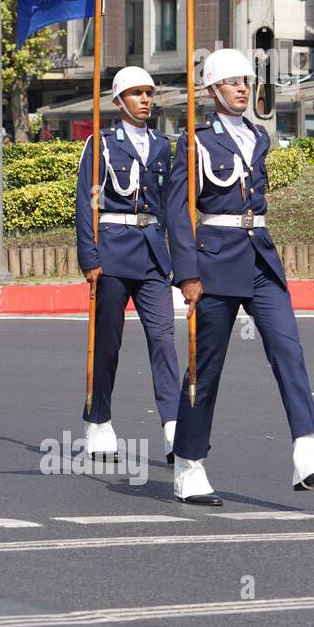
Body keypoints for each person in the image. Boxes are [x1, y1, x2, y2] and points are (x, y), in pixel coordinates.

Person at [168, 48, 314, 503]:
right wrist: (186, 273)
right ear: (211, 91)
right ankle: (188, 464)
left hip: (261, 257)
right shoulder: (194, 142)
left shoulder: (260, 137)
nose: (243, 88)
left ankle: (306, 450)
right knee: (205, 368)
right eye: (232, 82)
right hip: (215, 260)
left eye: (246, 80)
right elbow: (178, 214)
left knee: (288, 348)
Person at [75, 66, 179, 461]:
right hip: (113, 253)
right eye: (137, 93)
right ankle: (98, 420)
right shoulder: (101, 144)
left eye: (149, 93)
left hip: (152, 254)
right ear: (119, 101)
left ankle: (173, 426)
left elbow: (169, 205)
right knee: (107, 345)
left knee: (164, 342)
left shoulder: (162, 145)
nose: (146, 99)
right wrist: (90, 256)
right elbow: (86, 202)